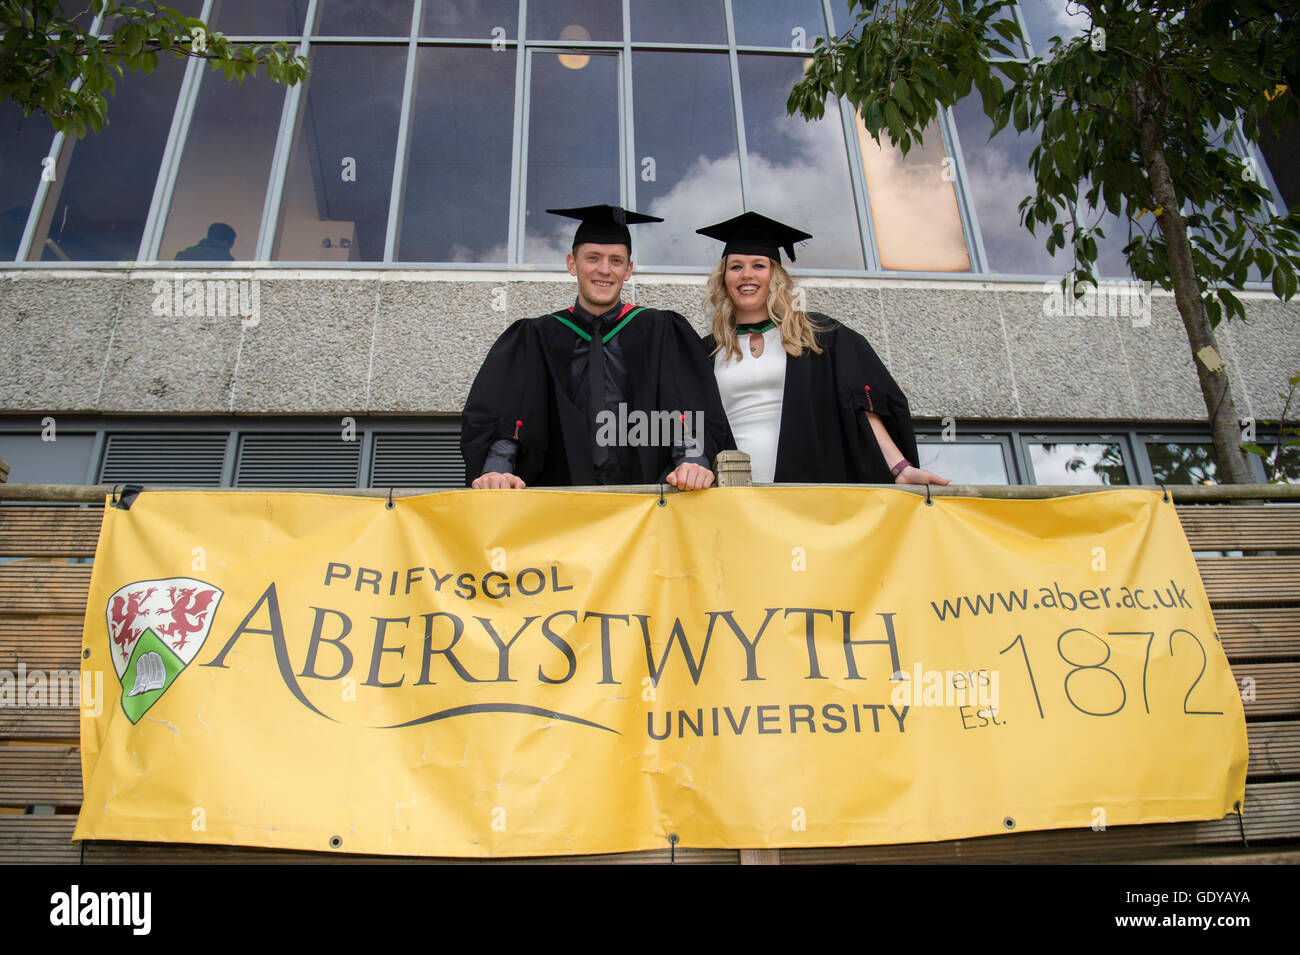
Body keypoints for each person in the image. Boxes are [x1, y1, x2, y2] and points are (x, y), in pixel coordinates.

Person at [461, 204, 732, 490]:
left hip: (646, 507)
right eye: (593, 258)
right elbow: (510, 417)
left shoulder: (660, 331)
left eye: (616, 261)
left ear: (628, 270)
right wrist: (497, 471)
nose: (604, 270)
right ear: (571, 264)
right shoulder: (537, 337)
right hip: (561, 508)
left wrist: (693, 463)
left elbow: (685, 408)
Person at [697, 211, 947, 485]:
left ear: (775, 276)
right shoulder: (708, 350)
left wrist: (899, 468)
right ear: (724, 279)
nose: (747, 275)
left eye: (759, 265)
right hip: (734, 491)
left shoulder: (817, 336)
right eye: (735, 267)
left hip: (811, 487)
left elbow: (859, 407)